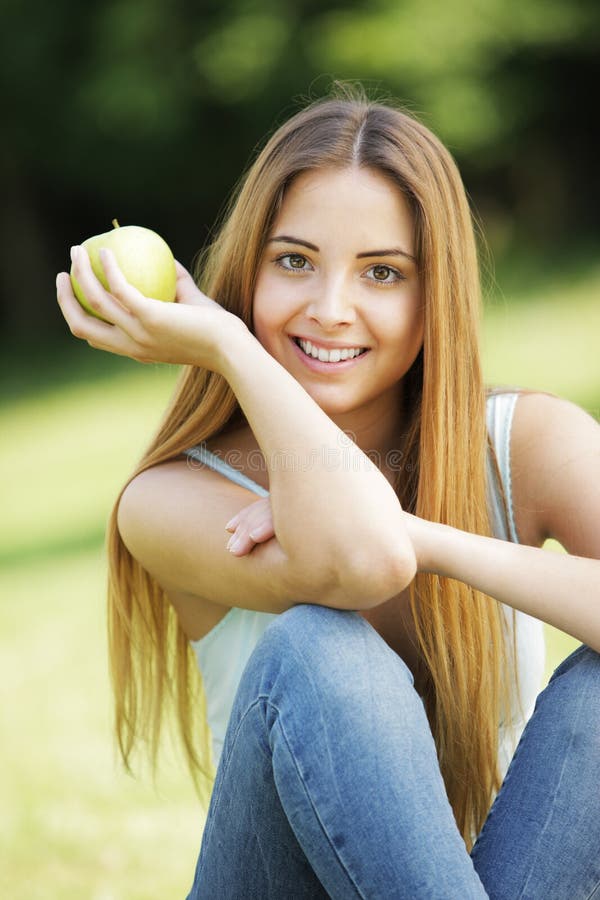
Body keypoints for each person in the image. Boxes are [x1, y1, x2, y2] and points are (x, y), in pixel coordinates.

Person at [56, 84, 600, 899]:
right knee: (322, 650)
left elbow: (388, 547)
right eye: (293, 261)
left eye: (382, 272)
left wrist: (429, 538)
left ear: (434, 297)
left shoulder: (524, 441)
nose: (331, 309)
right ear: (246, 274)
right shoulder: (169, 501)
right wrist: (231, 350)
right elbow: (361, 565)